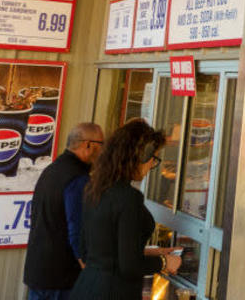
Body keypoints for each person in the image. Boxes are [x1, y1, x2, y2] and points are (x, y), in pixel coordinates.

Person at [70, 119, 181, 300]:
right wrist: (164, 261)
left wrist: (149, 251)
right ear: (139, 156)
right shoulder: (129, 198)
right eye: (153, 159)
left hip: (86, 287)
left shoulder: (95, 188)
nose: (152, 166)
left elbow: (90, 248)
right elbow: (129, 266)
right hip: (113, 291)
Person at [23, 122, 105, 300]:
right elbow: (76, 230)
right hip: (61, 278)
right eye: (101, 145)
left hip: (39, 271)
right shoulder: (77, 179)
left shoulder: (52, 170)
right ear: (88, 145)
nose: (103, 152)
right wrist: (88, 269)